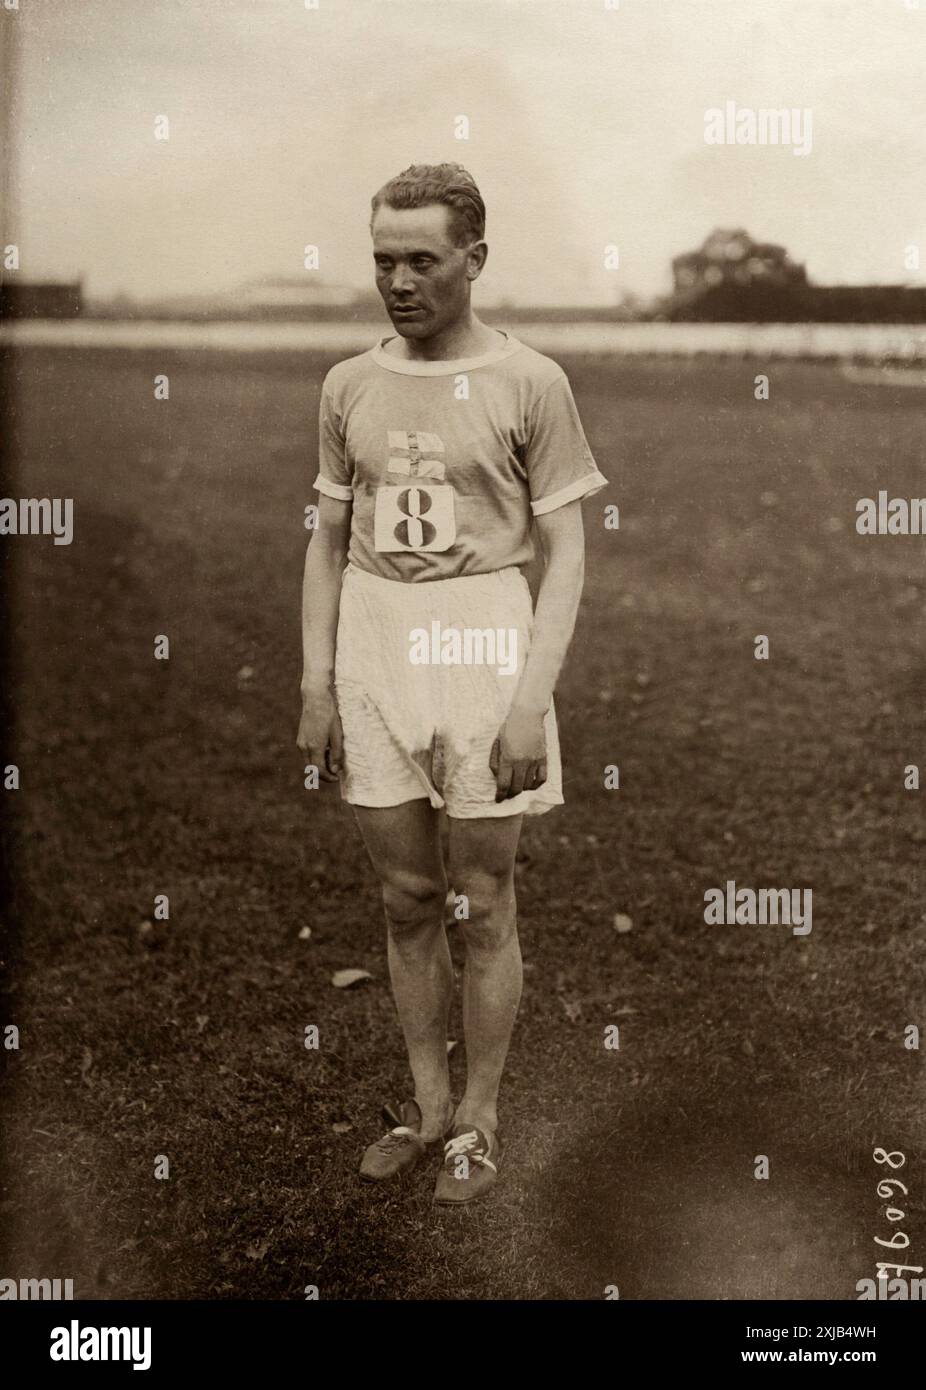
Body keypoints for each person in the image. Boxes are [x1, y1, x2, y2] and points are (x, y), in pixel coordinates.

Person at [297, 163, 607, 1204]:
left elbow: (564, 553)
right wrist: (314, 678)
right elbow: (328, 538)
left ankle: (479, 1118)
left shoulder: (532, 383)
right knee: (405, 894)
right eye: (382, 259)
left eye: (421, 260)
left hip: (482, 633)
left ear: (474, 259)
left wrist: (529, 697)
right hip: (374, 636)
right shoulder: (347, 383)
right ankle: (426, 1105)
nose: (397, 280)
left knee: (484, 896)